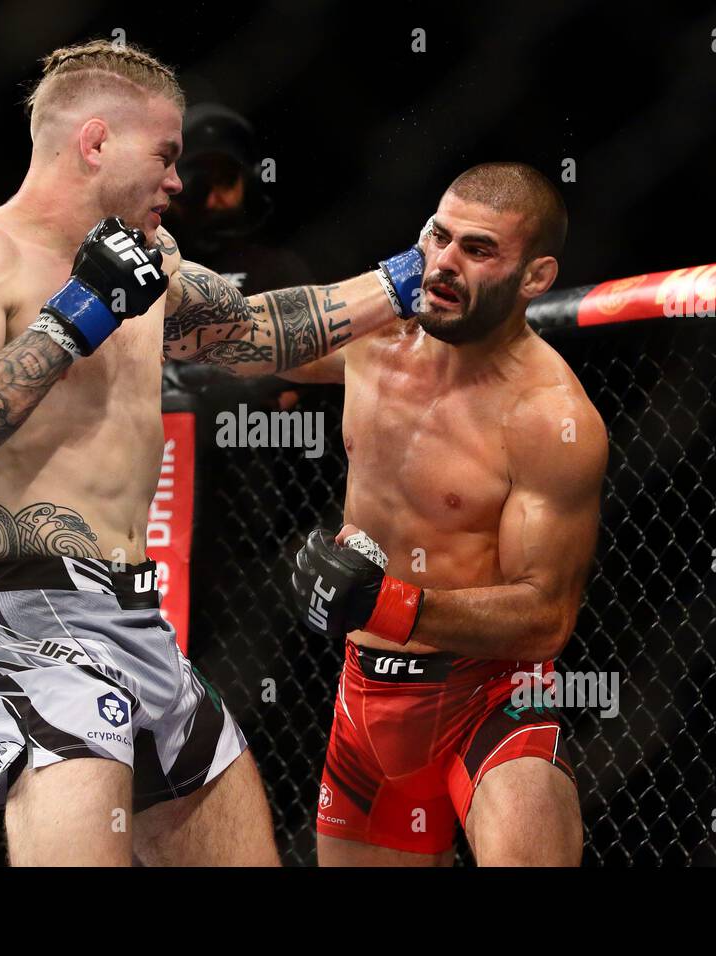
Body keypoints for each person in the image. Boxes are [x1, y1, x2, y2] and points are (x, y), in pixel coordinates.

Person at [0, 39, 425, 866]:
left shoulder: (150, 263)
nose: (179, 181)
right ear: (96, 143)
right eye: (167, 156)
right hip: (47, 622)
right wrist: (74, 317)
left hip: (146, 624)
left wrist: (409, 281)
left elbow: (257, 331)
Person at [286, 162, 607, 866]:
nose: (445, 262)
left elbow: (546, 617)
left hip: (487, 696)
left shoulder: (551, 416)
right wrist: (158, 278)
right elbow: (244, 342)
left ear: (536, 277)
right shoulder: (374, 342)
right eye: (438, 236)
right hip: (364, 697)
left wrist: (388, 602)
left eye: (479, 249)